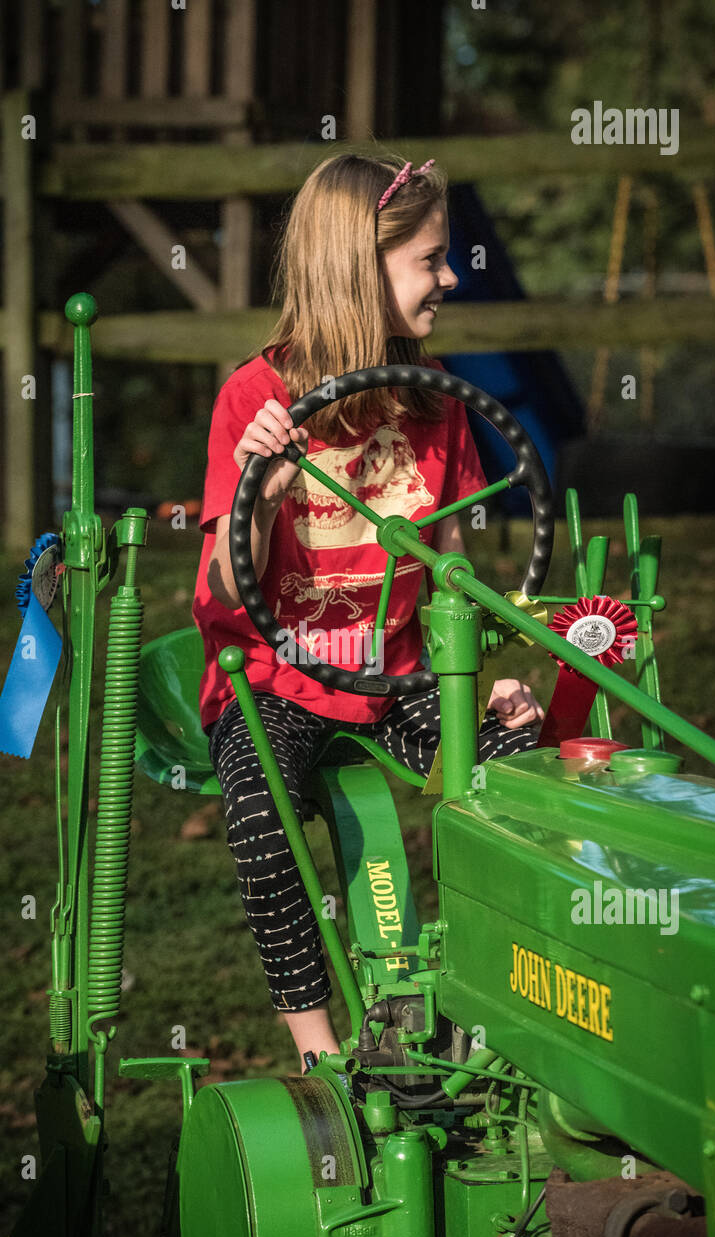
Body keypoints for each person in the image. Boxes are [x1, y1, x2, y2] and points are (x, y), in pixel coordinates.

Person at [191, 153, 543, 1073]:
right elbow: (226, 593)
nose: (451, 277)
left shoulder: (440, 405)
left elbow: (452, 572)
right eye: (429, 259)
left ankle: (483, 1012)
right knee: (261, 820)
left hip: (394, 675)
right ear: (358, 267)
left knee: (519, 780)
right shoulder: (254, 399)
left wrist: (481, 674)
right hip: (276, 676)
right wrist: (261, 488)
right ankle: (320, 1058)